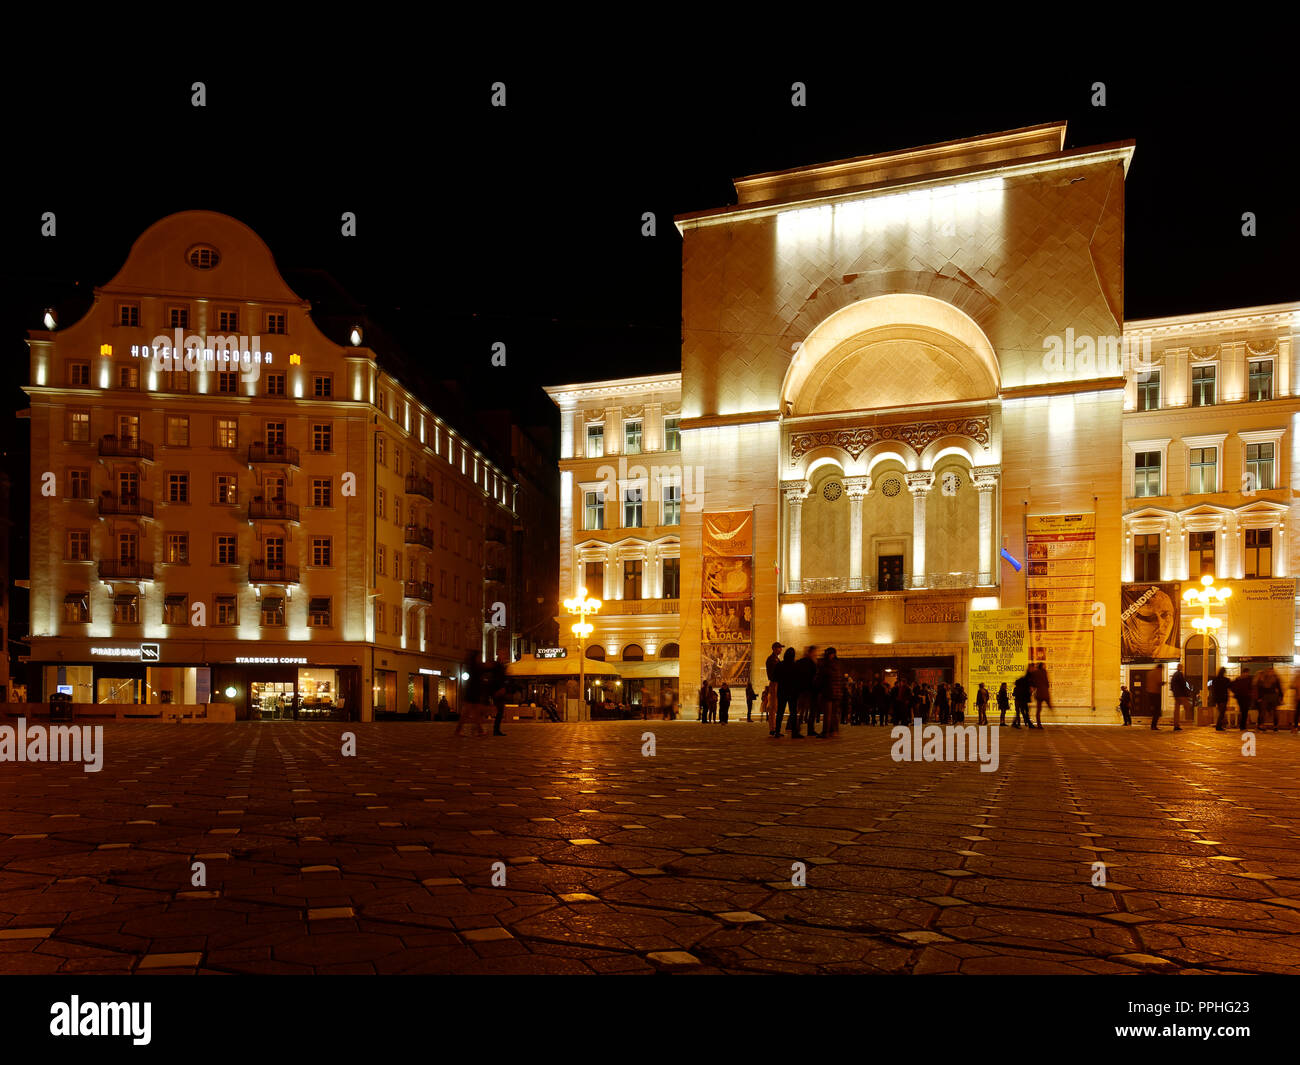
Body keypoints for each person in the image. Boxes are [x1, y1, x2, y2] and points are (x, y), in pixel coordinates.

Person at [453, 652, 489, 737]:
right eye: (479, 657)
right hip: (472, 693)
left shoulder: (473, 667)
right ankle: (459, 731)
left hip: (471, 693)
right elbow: (476, 681)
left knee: (472, 714)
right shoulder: (475, 668)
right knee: (468, 714)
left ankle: (478, 730)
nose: (480, 659)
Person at [819, 647, 844, 738]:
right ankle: (834, 731)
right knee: (834, 713)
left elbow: (822, 678)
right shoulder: (838, 664)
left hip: (829, 691)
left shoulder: (827, 665)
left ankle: (826, 732)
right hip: (837, 692)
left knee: (828, 714)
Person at [794, 647, 818, 737]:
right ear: (810, 653)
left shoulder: (799, 662)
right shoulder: (811, 663)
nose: (816, 655)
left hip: (801, 689)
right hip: (808, 690)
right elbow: (814, 676)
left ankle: (797, 729)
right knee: (804, 710)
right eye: (815, 653)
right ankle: (807, 730)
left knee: (801, 710)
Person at [774, 647, 798, 737]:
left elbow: (774, 677)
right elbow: (798, 679)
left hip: (782, 691)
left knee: (780, 712)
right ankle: (794, 732)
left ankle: (777, 731)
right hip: (792, 691)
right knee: (793, 712)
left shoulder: (780, 665)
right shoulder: (795, 665)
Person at [764, 642, 783, 730]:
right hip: (774, 683)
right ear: (774, 648)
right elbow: (773, 674)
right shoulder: (772, 659)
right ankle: (773, 728)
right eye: (779, 648)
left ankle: (774, 727)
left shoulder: (775, 659)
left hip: (777, 683)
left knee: (775, 706)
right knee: (773, 706)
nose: (781, 650)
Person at [490, 652, 508, 736]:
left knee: (500, 711)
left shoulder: (500, 667)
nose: (505, 659)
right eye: (503, 657)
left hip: (499, 691)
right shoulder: (497, 667)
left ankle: (496, 730)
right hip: (497, 692)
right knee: (500, 711)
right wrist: (498, 689)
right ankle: (496, 730)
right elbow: (497, 680)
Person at [1232, 667, 1255, 733]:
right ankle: (1242, 726)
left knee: (1243, 711)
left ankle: (1242, 726)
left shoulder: (1239, 679)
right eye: (1247, 672)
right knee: (1244, 711)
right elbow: (1251, 687)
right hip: (1244, 697)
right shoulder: (1248, 679)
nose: (1247, 674)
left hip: (1242, 697)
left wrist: (1236, 692)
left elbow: (1233, 686)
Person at [1169, 665, 1191, 732]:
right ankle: (1188, 718)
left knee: (1176, 710)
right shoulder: (1180, 674)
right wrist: (1187, 693)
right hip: (1181, 694)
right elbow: (1183, 684)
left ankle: (1176, 725)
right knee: (1187, 706)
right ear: (1180, 668)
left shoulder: (1174, 675)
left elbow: (1171, 685)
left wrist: (1174, 692)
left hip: (1176, 694)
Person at [1030, 662, 1051, 728]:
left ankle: (1039, 724)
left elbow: (1033, 683)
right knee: (1049, 705)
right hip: (1045, 693)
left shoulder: (1035, 673)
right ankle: (1053, 713)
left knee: (1038, 710)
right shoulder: (1044, 672)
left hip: (1039, 694)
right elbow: (1047, 684)